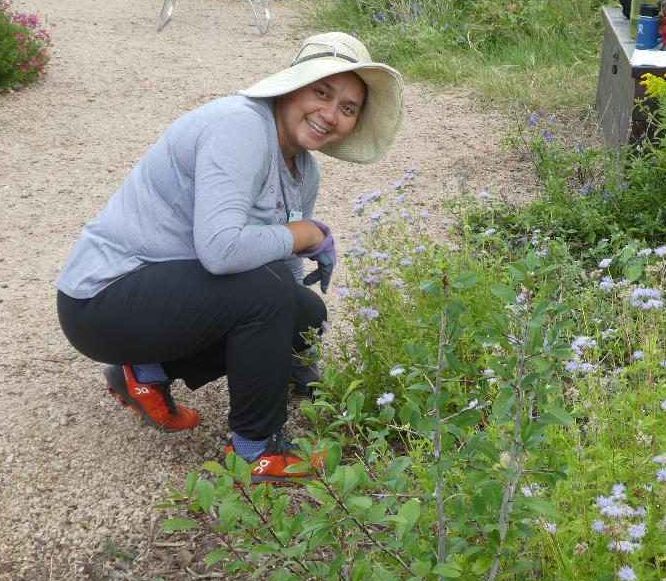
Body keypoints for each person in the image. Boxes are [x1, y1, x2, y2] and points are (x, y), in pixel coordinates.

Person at [55, 32, 405, 485]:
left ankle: (146, 373)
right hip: (102, 300)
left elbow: (283, 270)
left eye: (348, 108)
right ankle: (254, 450)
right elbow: (221, 252)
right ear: (292, 86)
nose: (330, 113)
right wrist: (300, 233)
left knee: (303, 308)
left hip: (157, 296)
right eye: (322, 91)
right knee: (266, 298)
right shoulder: (241, 127)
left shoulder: (304, 168)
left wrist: (294, 354)